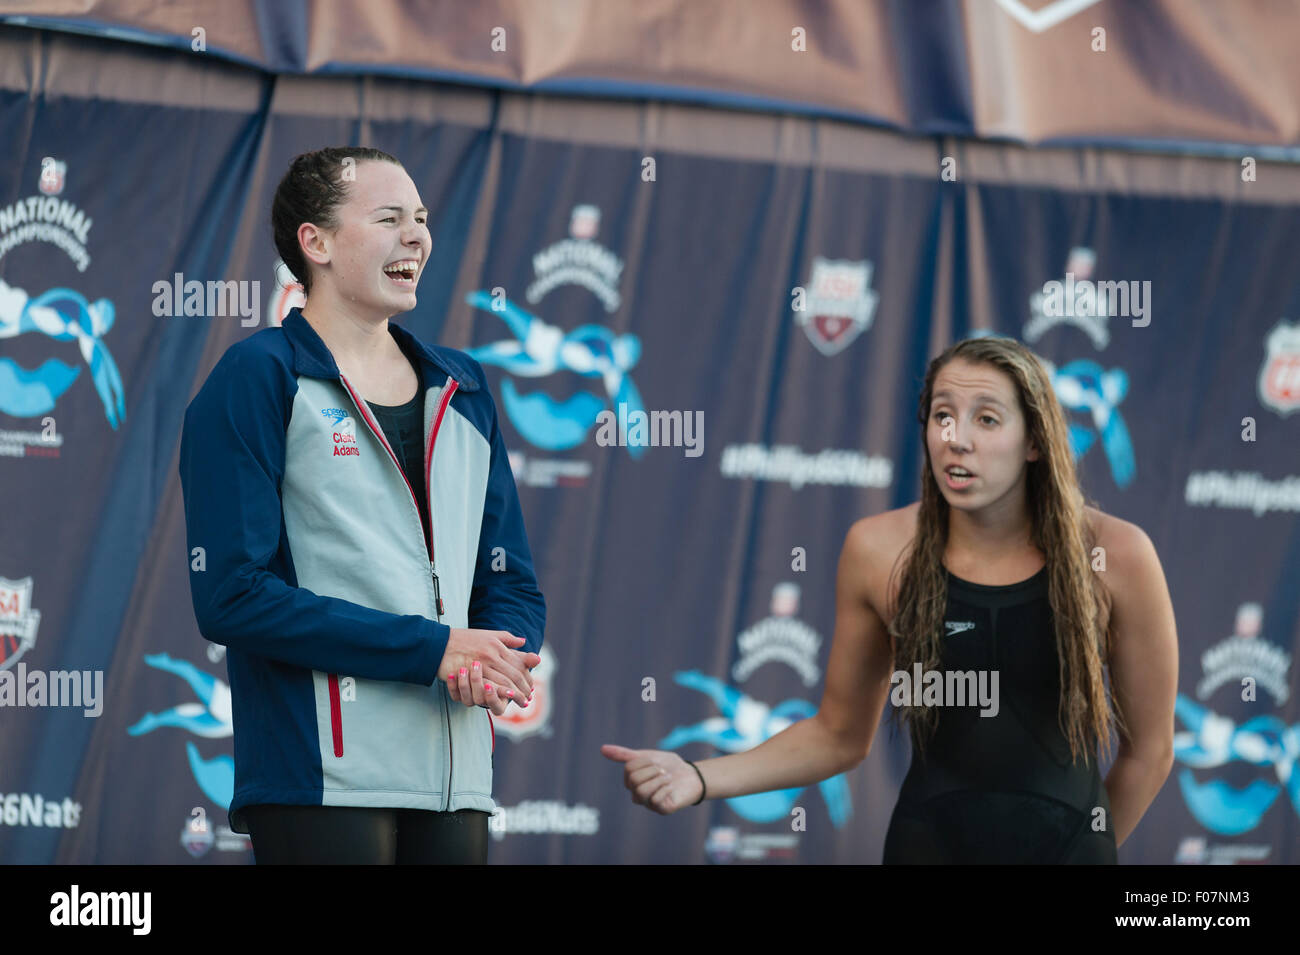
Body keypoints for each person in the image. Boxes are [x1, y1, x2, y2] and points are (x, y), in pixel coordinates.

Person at [602, 335, 1178, 863]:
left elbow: (1149, 752)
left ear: (1034, 441)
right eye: (943, 415)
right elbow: (838, 735)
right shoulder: (878, 549)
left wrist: (1085, 847)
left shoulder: (1118, 555)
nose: (958, 438)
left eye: (987, 419)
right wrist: (700, 778)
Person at [179, 146, 546, 864]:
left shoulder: (462, 387)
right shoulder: (258, 376)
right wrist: (434, 648)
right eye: (388, 218)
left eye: (421, 218)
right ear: (314, 243)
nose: (416, 236)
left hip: (456, 775)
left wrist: (494, 655)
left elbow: (509, 581)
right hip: (321, 776)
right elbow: (233, 595)